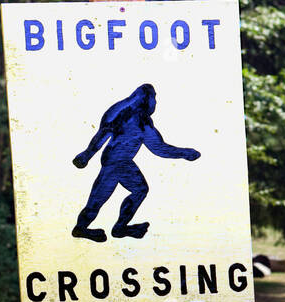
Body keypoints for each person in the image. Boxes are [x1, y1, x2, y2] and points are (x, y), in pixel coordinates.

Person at [72, 83, 200, 241]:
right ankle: (104, 228)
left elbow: (103, 134)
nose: (156, 102)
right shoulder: (134, 118)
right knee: (126, 192)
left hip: (117, 161)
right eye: (154, 97)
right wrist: (185, 153)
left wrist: (86, 155)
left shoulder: (130, 115)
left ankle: (97, 228)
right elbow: (157, 147)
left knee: (112, 195)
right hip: (117, 162)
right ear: (147, 99)